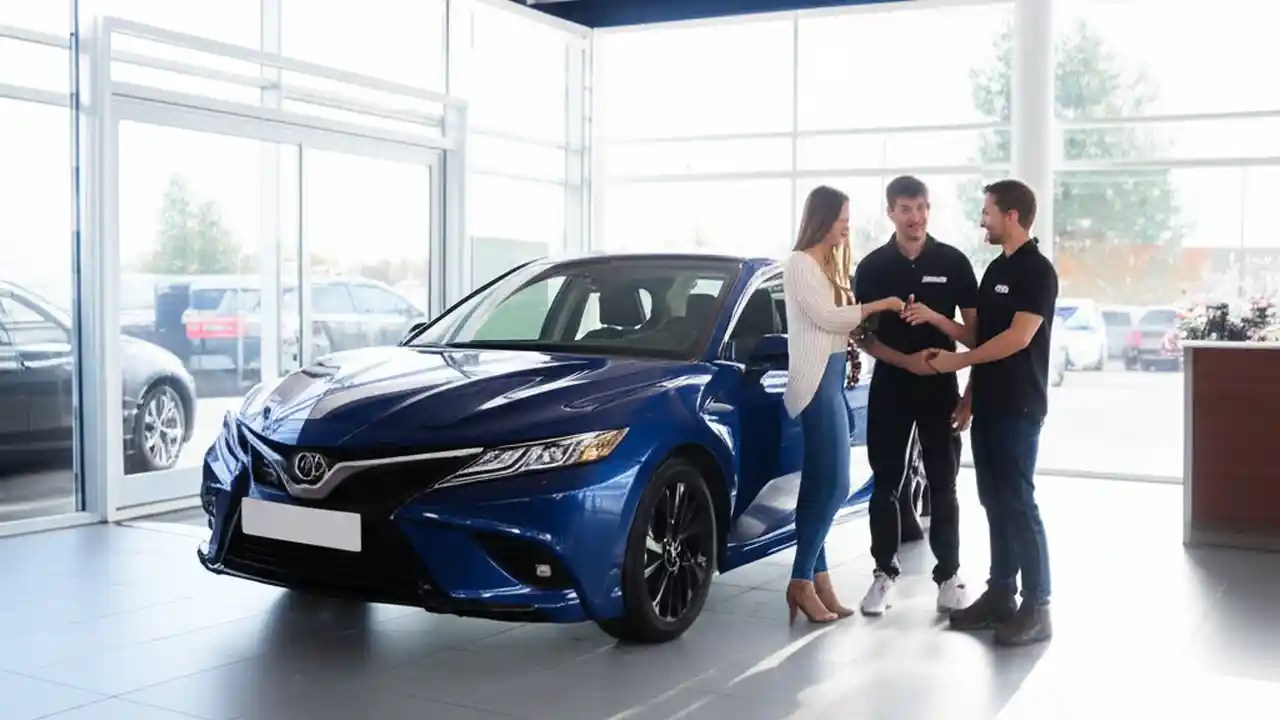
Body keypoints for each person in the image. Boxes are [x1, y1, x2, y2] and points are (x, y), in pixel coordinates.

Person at [924, 179, 1058, 646]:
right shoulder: (993, 270)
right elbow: (982, 341)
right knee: (994, 503)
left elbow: (1018, 339)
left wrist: (958, 362)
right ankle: (1001, 594)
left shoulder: (1038, 272)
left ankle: (1038, 607)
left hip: (1020, 407)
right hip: (990, 405)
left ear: (1013, 216)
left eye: (988, 212)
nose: (982, 219)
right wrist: (968, 395)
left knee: (1019, 504)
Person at [852, 175, 979, 617]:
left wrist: (968, 394)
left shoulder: (955, 261)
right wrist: (902, 361)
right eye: (906, 209)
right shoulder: (870, 268)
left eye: (922, 207)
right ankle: (883, 574)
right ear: (890, 212)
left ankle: (948, 575)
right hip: (891, 382)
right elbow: (862, 337)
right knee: (885, 482)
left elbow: (976, 334)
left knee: (944, 481)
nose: (917, 217)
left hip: (940, 384)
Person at [783, 185, 905, 624]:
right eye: (842, 219)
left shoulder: (828, 265)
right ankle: (800, 579)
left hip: (833, 381)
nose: (847, 226)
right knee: (834, 485)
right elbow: (829, 319)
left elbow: (842, 326)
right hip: (816, 385)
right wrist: (882, 304)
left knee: (818, 486)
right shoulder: (799, 264)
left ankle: (819, 578)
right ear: (822, 218)